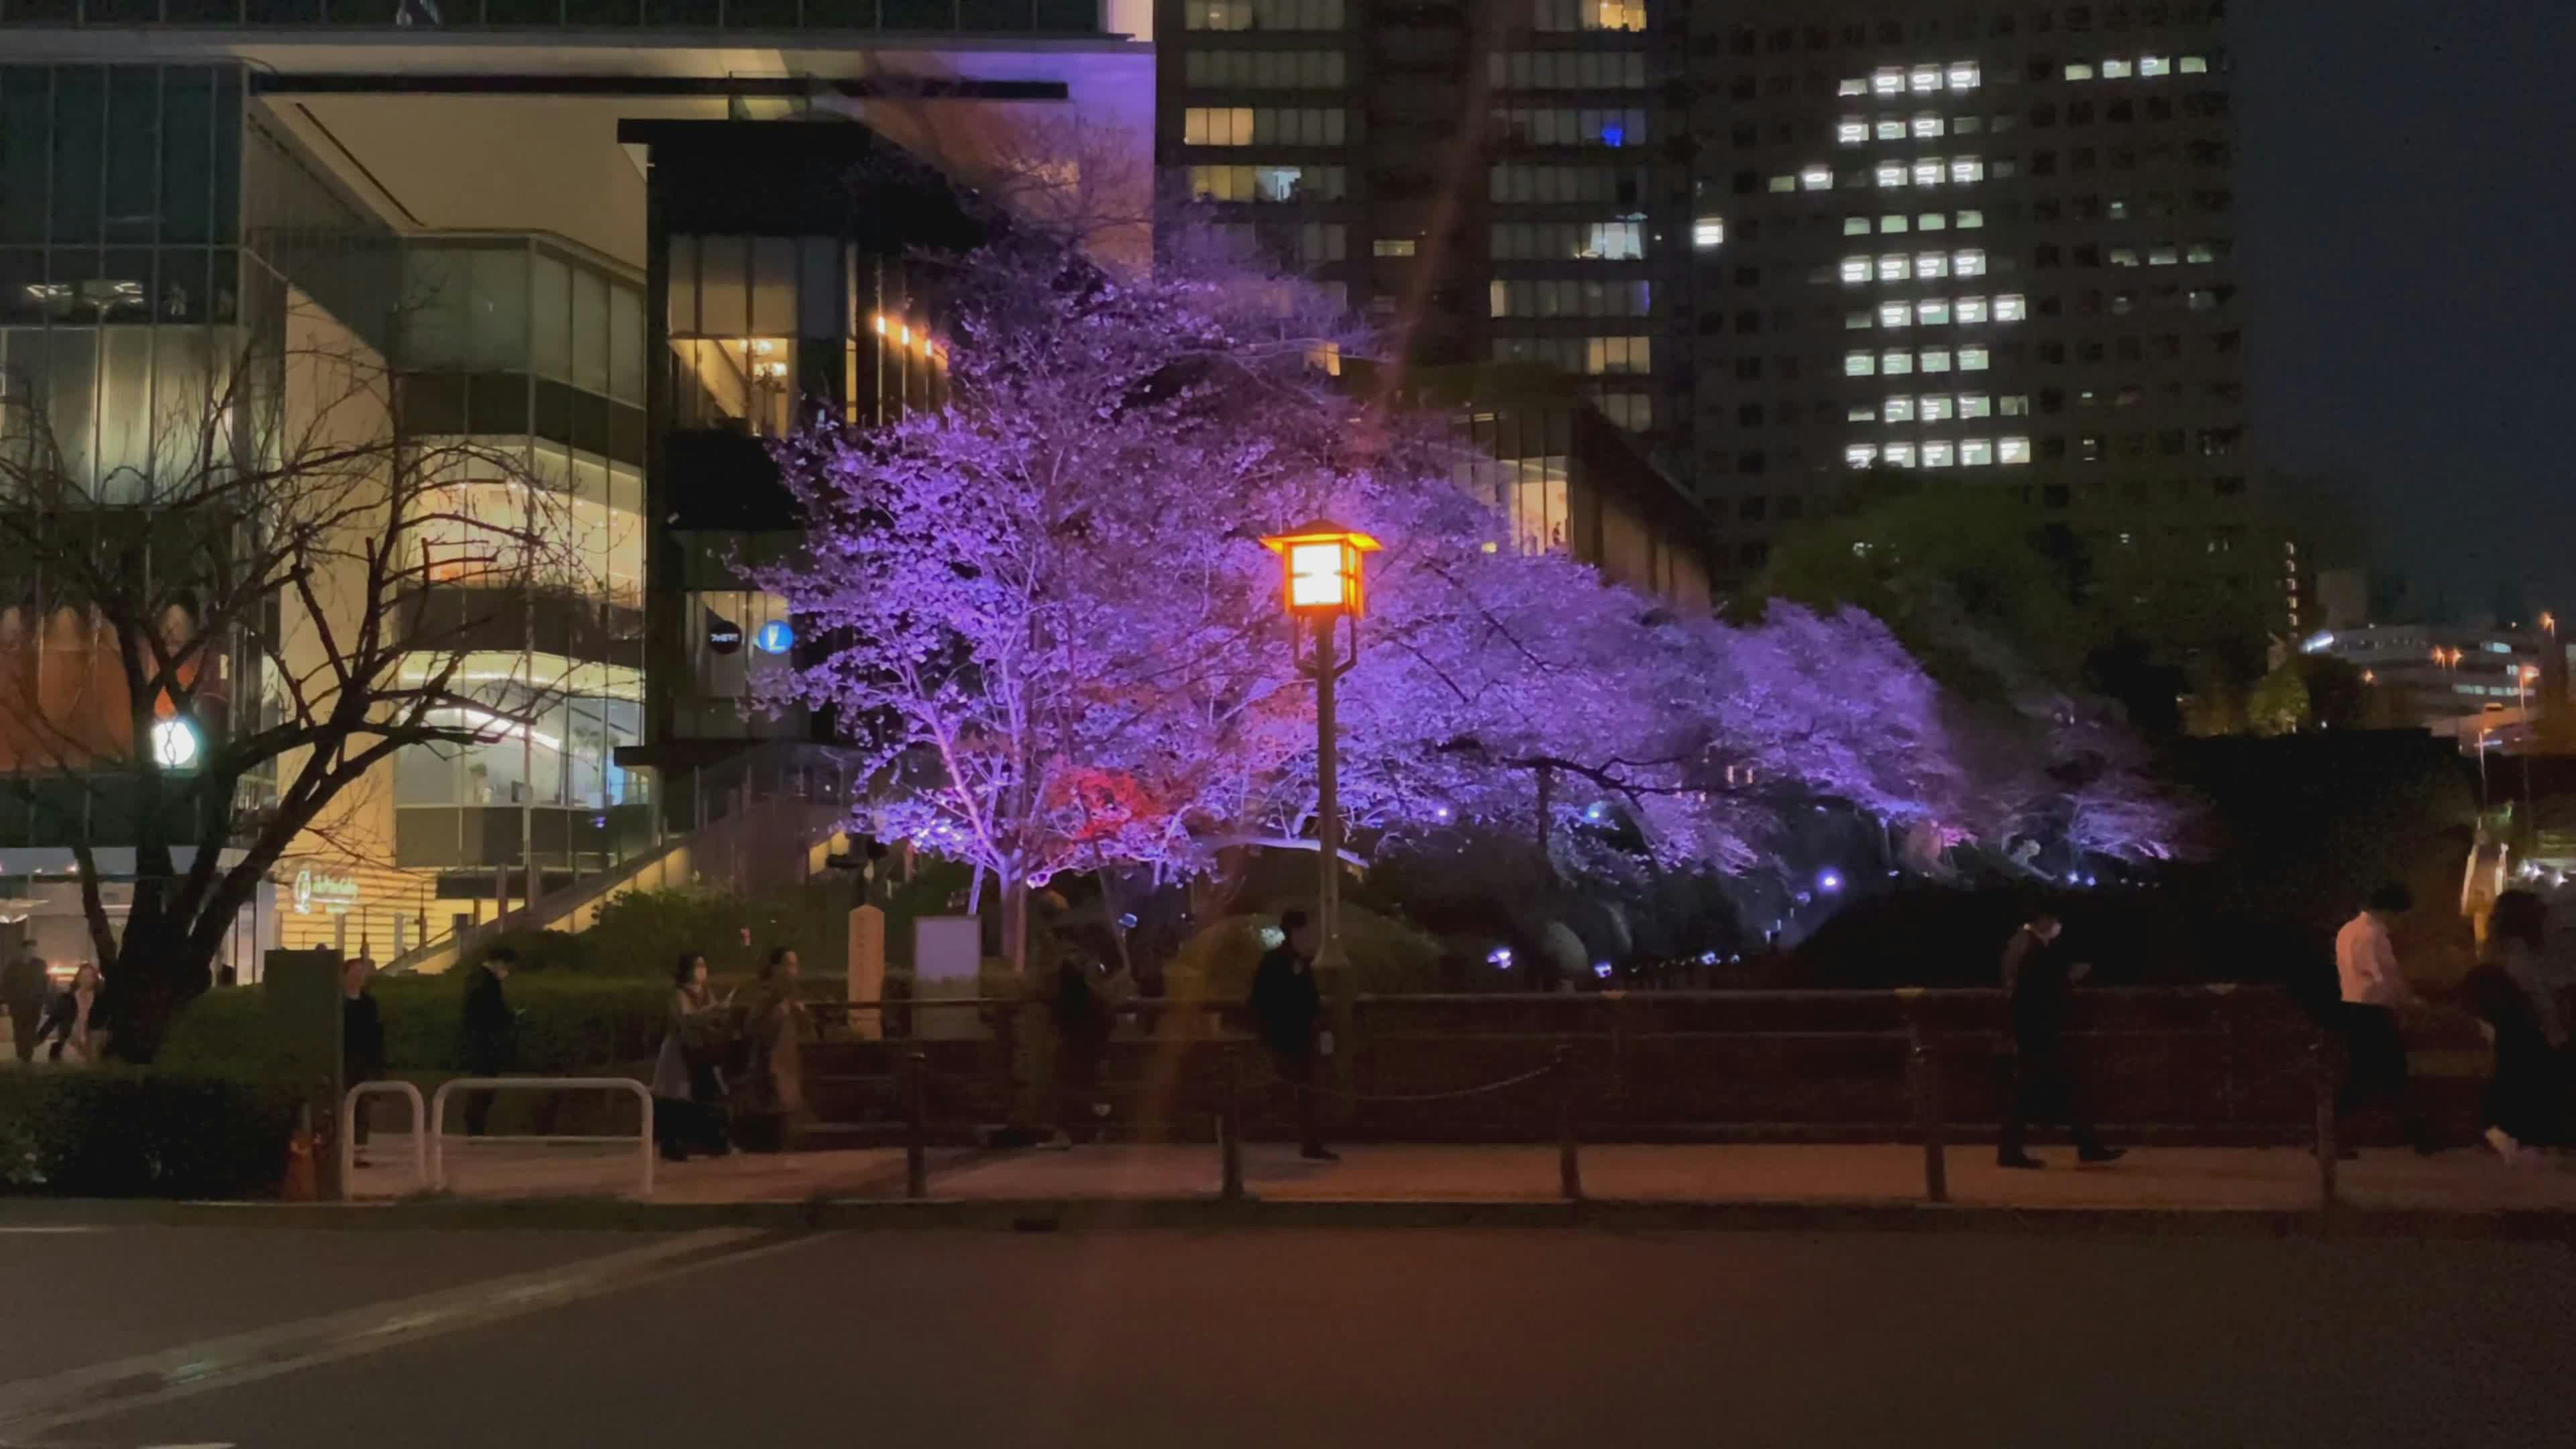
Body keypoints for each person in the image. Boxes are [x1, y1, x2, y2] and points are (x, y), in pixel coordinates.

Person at [1996, 913, 2123, 1169]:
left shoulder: (2019, 945)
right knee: (2039, 1092)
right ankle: (2085, 1145)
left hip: (2031, 1032)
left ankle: (2086, 1144)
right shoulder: (2032, 950)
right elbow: (2040, 990)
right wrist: (2070, 978)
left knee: (2047, 1091)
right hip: (2037, 1033)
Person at [2331, 883, 2436, 1156]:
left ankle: (2331, 1137)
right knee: (2388, 1074)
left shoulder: (2347, 931)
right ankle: (2420, 1136)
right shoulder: (2374, 935)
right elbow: (2386, 977)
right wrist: (2410, 1002)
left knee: (2363, 1075)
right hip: (2373, 1012)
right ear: (2391, 911)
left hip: (2353, 1008)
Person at [2461, 890, 2566, 1163]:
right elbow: (2537, 995)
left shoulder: (2496, 948)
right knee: (2532, 1083)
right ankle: (2521, 1139)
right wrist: (2554, 1028)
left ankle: (2506, 1135)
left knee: (2513, 1081)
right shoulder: (2522, 952)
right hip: (2526, 1027)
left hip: (2508, 1027)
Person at [1248, 908, 1334, 1162]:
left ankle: (1310, 1141)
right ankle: (1304, 1140)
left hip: (1297, 1034)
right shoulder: (1277, 962)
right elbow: (1264, 999)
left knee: (1302, 1090)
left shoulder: (1298, 960)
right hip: (1286, 1034)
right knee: (1289, 1089)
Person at [1044, 925, 1128, 1149]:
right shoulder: (1090, 969)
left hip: (1077, 1030)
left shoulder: (1067, 968)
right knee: (1087, 1080)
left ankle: (1075, 1129)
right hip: (1089, 1030)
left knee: (1073, 1080)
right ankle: (1092, 1128)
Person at [651, 953, 734, 1162]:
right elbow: (686, 1018)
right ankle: (673, 1144)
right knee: (676, 1098)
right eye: (697, 965)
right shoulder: (679, 994)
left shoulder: (707, 993)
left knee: (707, 1096)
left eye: (703, 965)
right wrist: (714, 1010)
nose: (701, 970)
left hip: (701, 1050)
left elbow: (713, 1017)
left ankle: (709, 1142)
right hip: (679, 1052)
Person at [733, 947, 806, 1152]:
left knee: (782, 1120)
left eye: (795, 964)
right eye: (789, 964)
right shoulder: (765, 996)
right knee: (772, 1121)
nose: (794, 970)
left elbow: (804, 1028)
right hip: (769, 1067)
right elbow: (752, 1027)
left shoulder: (790, 998)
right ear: (776, 968)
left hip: (785, 1065)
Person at [460, 947, 519, 1137]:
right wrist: (509, 1016)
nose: (507, 972)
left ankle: (475, 1128)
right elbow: (490, 1012)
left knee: (481, 1087)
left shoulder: (476, 978)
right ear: (499, 962)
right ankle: (476, 1130)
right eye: (507, 966)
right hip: (485, 1043)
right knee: (483, 1088)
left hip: (479, 1042)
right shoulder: (487, 982)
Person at [341, 958, 386, 1168]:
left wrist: (377, 1065)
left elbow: (375, 1035)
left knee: (362, 1111)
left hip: (363, 1063)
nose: (359, 977)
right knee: (342, 1109)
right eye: (355, 972)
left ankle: (359, 1153)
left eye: (362, 973)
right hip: (343, 1062)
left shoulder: (369, 1003)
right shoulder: (338, 1003)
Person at [33, 963, 101, 1065]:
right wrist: (38, 1039)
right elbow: (53, 1020)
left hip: (94, 1047)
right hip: (71, 1046)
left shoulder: (101, 1001)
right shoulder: (67, 1000)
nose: (86, 980)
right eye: (84, 976)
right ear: (78, 978)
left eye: (90, 976)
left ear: (95, 979)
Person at [3, 954, 48, 1065]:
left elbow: (44, 984)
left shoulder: (40, 964)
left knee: (30, 1032)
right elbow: (6, 984)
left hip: (34, 1006)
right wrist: (6, 1002)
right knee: (19, 1032)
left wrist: (43, 1001)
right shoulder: (13, 965)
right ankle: (22, 1056)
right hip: (18, 1006)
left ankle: (27, 1057)